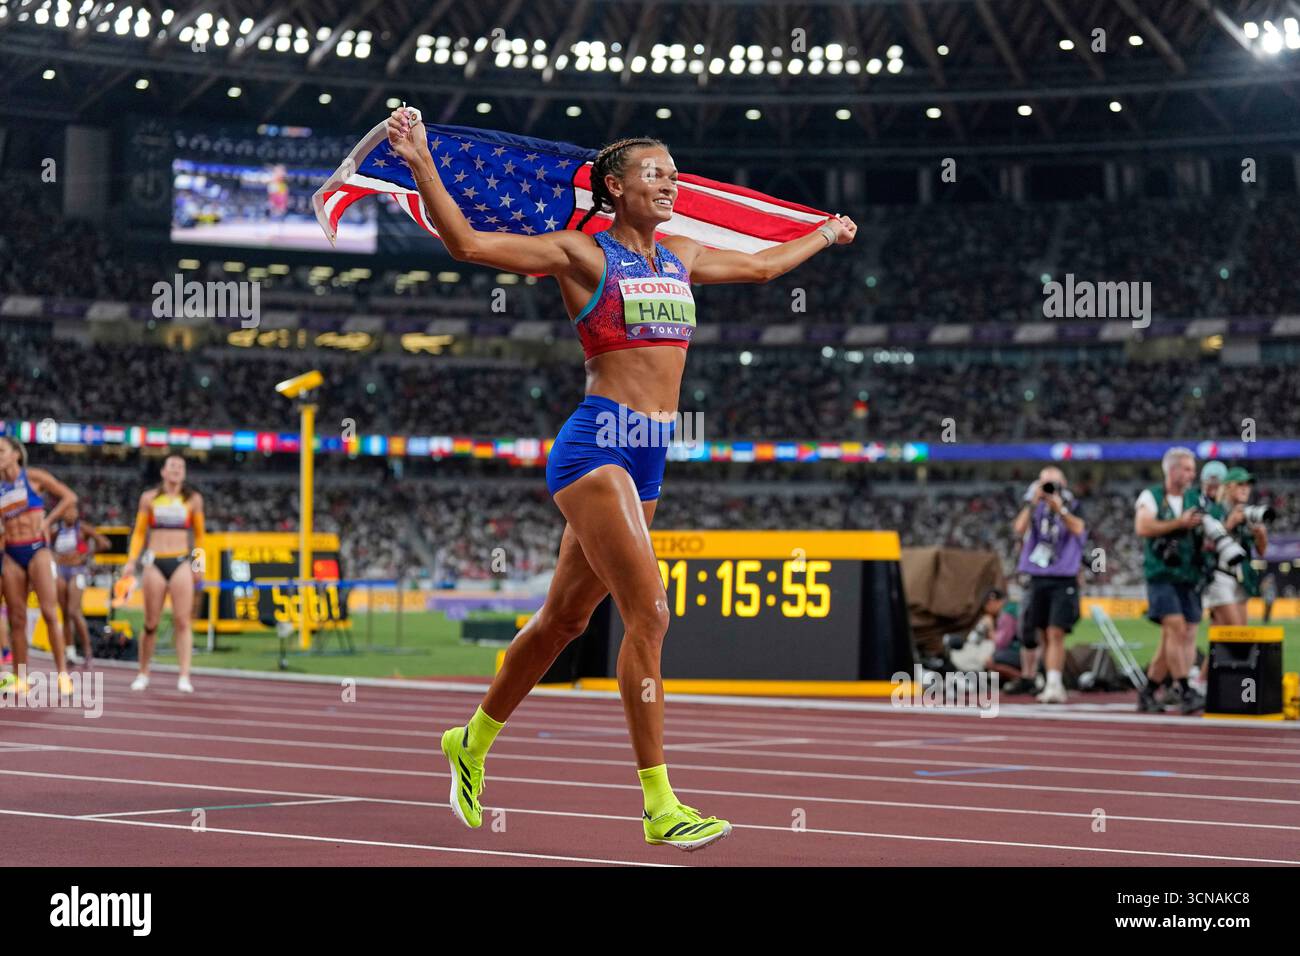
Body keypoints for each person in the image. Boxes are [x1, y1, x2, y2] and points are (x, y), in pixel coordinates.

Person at [385, 107, 856, 850]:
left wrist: (826, 234)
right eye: (654, 173)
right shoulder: (582, 255)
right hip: (597, 443)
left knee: (563, 623)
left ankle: (469, 740)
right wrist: (419, 160)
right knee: (652, 613)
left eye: (672, 173)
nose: (669, 183)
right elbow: (469, 243)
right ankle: (659, 803)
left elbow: (764, 267)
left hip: (651, 452)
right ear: (615, 185)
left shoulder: (685, 256)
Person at [121, 455, 206, 693]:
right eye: (173, 466)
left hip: (180, 562)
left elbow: (199, 536)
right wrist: (131, 562)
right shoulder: (149, 498)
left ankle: (184, 675)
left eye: (181, 466)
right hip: (155, 561)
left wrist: (199, 566)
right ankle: (143, 672)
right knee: (151, 622)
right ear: (163, 472)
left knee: (182, 620)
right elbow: (139, 533)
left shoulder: (193, 500)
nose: (177, 469)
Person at [0, 436, 77, 696]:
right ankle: (20, 678)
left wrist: (48, 522)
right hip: (11, 552)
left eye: (1, 451)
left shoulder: (33, 477)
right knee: (17, 618)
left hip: (37, 549)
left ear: (15, 455)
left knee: (49, 611)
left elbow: (69, 497)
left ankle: (63, 674)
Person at [1134, 447, 1206, 715]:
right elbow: (1142, 527)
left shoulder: (1194, 498)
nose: (1192, 474)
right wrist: (1179, 523)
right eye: (1187, 469)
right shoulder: (1151, 496)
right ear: (1172, 470)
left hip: (1189, 575)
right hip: (1161, 575)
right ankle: (1184, 690)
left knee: (1178, 636)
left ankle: (1149, 690)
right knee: (1175, 628)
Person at [1011, 466, 1087, 704]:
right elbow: (1018, 529)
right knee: (1042, 631)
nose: (1049, 489)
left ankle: (1055, 683)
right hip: (1037, 575)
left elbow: (1079, 528)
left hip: (1063, 576)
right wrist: (1033, 502)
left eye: (1053, 484)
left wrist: (1060, 509)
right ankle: (1049, 680)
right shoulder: (1034, 507)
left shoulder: (1073, 505)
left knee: (1056, 631)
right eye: (1045, 484)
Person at [1199, 467, 1269, 682]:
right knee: (1238, 633)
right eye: (1240, 484)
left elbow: (1262, 551)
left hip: (1240, 579)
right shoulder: (1214, 511)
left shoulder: (1248, 513)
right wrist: (1229, 524)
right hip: (1219, 576)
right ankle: (1240, 683)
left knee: (1221, 635)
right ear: (1228, 487)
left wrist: (1260, 536)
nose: (1245, 489)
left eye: (1247, 485)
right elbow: (1204, 546)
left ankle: (1200, 683)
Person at [51, 503, 111, 667]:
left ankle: (87, 651)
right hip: (61, 570)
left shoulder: (83, 529)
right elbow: (46, 546)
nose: (70, 514)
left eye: (73, 510)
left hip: (77, 571)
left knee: (73, 611)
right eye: (67, 511)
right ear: (62, 514)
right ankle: (70, 652)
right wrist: (54, 557)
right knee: (64, 613)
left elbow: (105, 543)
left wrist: (87, 554)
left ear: (77, 513)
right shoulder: (57, 531)